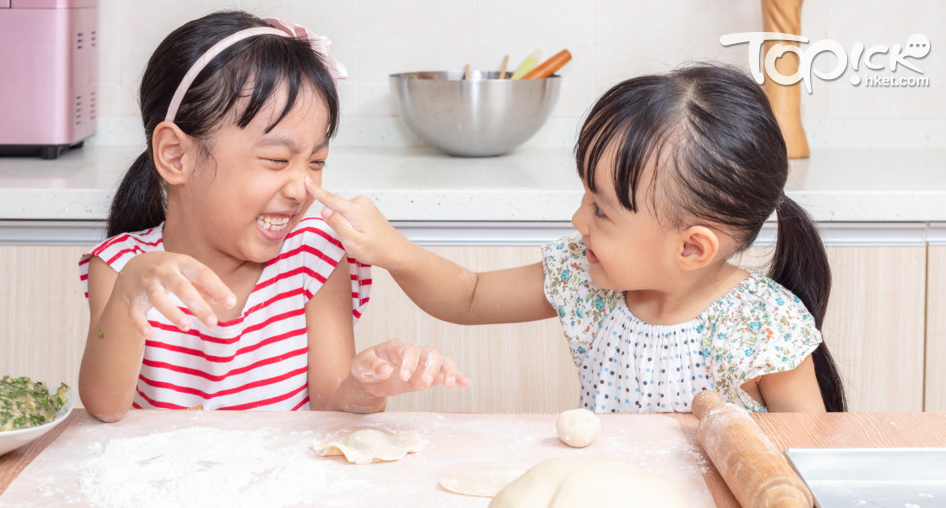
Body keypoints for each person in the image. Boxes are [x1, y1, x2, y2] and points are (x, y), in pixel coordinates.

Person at [308, 64, 846, 414]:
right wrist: (391, 249)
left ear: (690, 248)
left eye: (601, 211)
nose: (576, 220)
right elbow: (468, 296)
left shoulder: (761, 328)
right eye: (585, 196)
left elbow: (809, 457)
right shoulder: (586, 280)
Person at [77, 11, 466, 422]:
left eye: (316, 162)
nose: (301, 188)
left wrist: (366, 387)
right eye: (277, 159)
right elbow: (105, 407)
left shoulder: (313, 257)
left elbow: (331, 409)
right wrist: (128, 295)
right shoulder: (123, 267)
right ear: (176, 155)